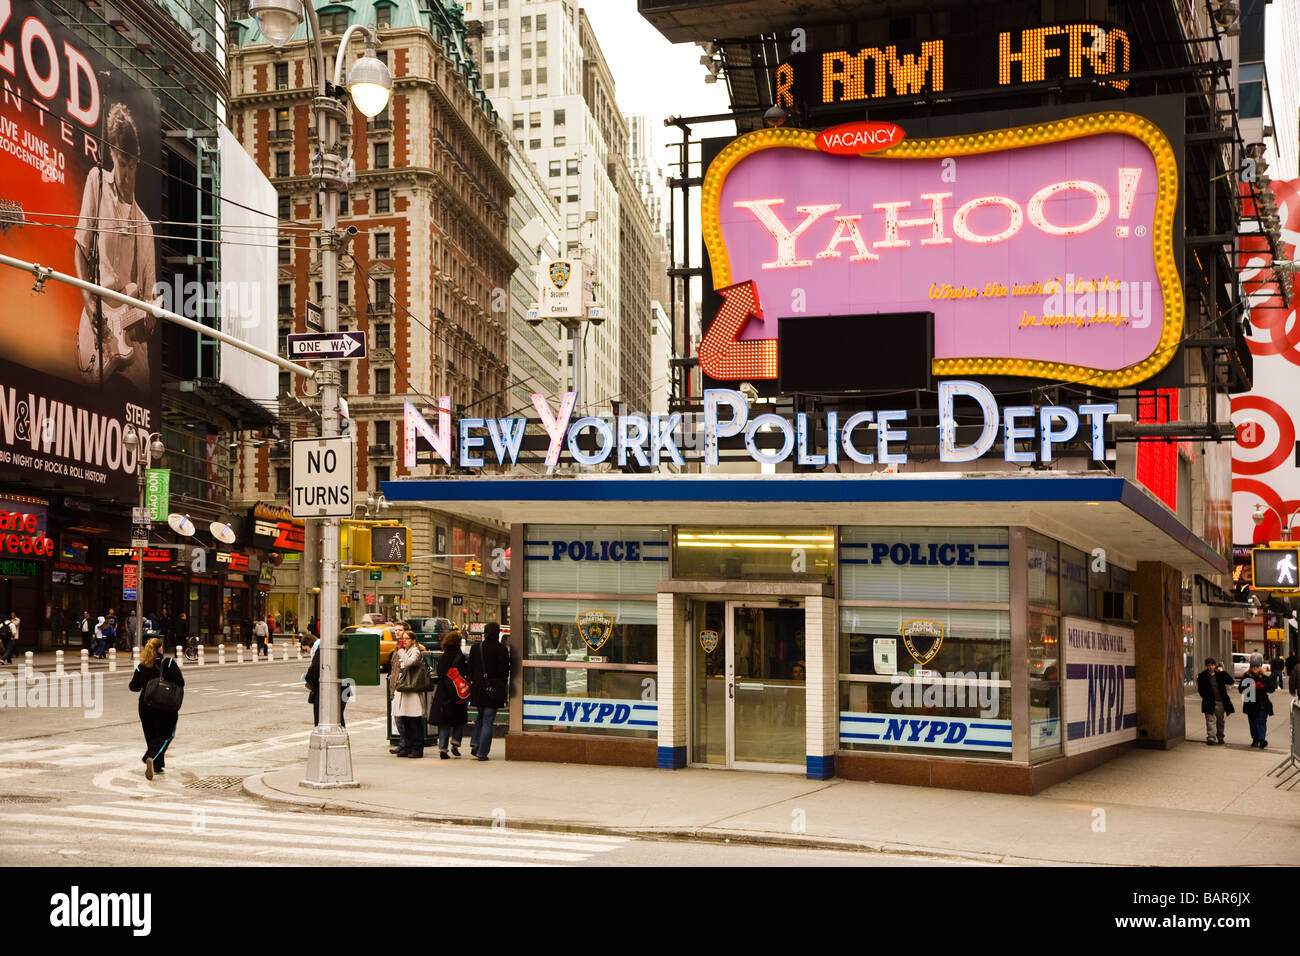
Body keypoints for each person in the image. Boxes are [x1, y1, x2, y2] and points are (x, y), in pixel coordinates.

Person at [74, 101, 156, 393]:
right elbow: (81, 250)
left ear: (137, 160)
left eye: (131, 165)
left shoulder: (144, 226)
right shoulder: (96, 182)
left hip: (130, 345)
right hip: (96, 322)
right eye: (121, 163)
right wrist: (87, 302)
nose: (125, 174)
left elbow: (149, 299)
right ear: (111, 154)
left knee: (144, 393)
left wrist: (147, 318)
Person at [127, 637, 183, 779]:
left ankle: (157, 765)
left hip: (146, 705)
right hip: (165, 705)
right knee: (166, 735)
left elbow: (133, 687)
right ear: (160, 649)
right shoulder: (168, 663)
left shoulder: (142, 666)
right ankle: (150, 757)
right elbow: (181, 682)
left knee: (151, 735)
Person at [467, 621, 511, 761]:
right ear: (497, 632)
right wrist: (500, 685)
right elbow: (504, 672)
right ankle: (482, 752)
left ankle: (475, 743)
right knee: (488, 720)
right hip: (493, 689)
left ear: (485, 632)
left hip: (478, 688)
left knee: (479, 717)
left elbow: (470, 669)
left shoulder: (476, 648)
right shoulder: (502, 649)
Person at [431, 630, 469, 759]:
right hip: (457, 692)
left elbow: (439, 672)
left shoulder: (443, 656)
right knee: (459, 719)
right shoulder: (460, 656)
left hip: (444, 692)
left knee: (444, 722)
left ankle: (443, 748)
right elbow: (464, 673)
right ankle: (455, 743)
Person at [390, 633, 426, 758]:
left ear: (413, 640)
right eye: (402, 639)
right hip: (403, 689)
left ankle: (417, 748)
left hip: (413, 689)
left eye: (406, 639)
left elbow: (409, 662)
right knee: (405, 720)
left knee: (414, 721)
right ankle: (408, 746)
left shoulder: (415, 651)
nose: (403, 641)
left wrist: (400, 652)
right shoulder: (404, 651)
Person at [304, 640, 347, 728]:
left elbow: (314, 670)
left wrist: (308, 678)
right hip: (345, 687)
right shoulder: (339, 643)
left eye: (306, 650)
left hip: (326, 690)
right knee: (338, 718)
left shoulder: (323, 647)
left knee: (322, 719)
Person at [1239, 655, 1276, 749]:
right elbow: (1241, 689)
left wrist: (1263, 686)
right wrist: (1251, 687)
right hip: (1250, 703)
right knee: (1253, 723)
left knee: (1262, 722)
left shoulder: (1264, 677)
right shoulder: (1246, 676)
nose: (1255, 668)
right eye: (1253, 666)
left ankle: (1262, 739)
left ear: (1260, 667)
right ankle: (1255, 739)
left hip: (1262, 704)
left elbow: (1272, 689)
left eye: (1257, 666)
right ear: (1250, 667)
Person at [1196, 657, 1234, 745]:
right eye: (1208, 665)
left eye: (1212, 665)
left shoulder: (1220, 674)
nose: (1210, 667)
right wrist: (1205, 697)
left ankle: (1220, 737)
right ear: (1206, 666)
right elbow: (1200, 689)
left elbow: (1231, 681)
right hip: (1209, 701)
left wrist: (1223, 672)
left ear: (1215, 666)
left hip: (1220, 701)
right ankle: (1211, 738)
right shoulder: (1202, 676)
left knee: (1220, 721)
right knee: (1210, 720)